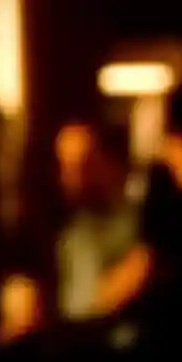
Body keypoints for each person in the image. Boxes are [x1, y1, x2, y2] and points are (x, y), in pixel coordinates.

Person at [53, 125, 138, 321]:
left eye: (84, 164)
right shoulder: (76, 233)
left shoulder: (141, 217)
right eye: (66, 166)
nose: (72, 178)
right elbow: (81, 311)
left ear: (107, 162)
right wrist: (130, 275)